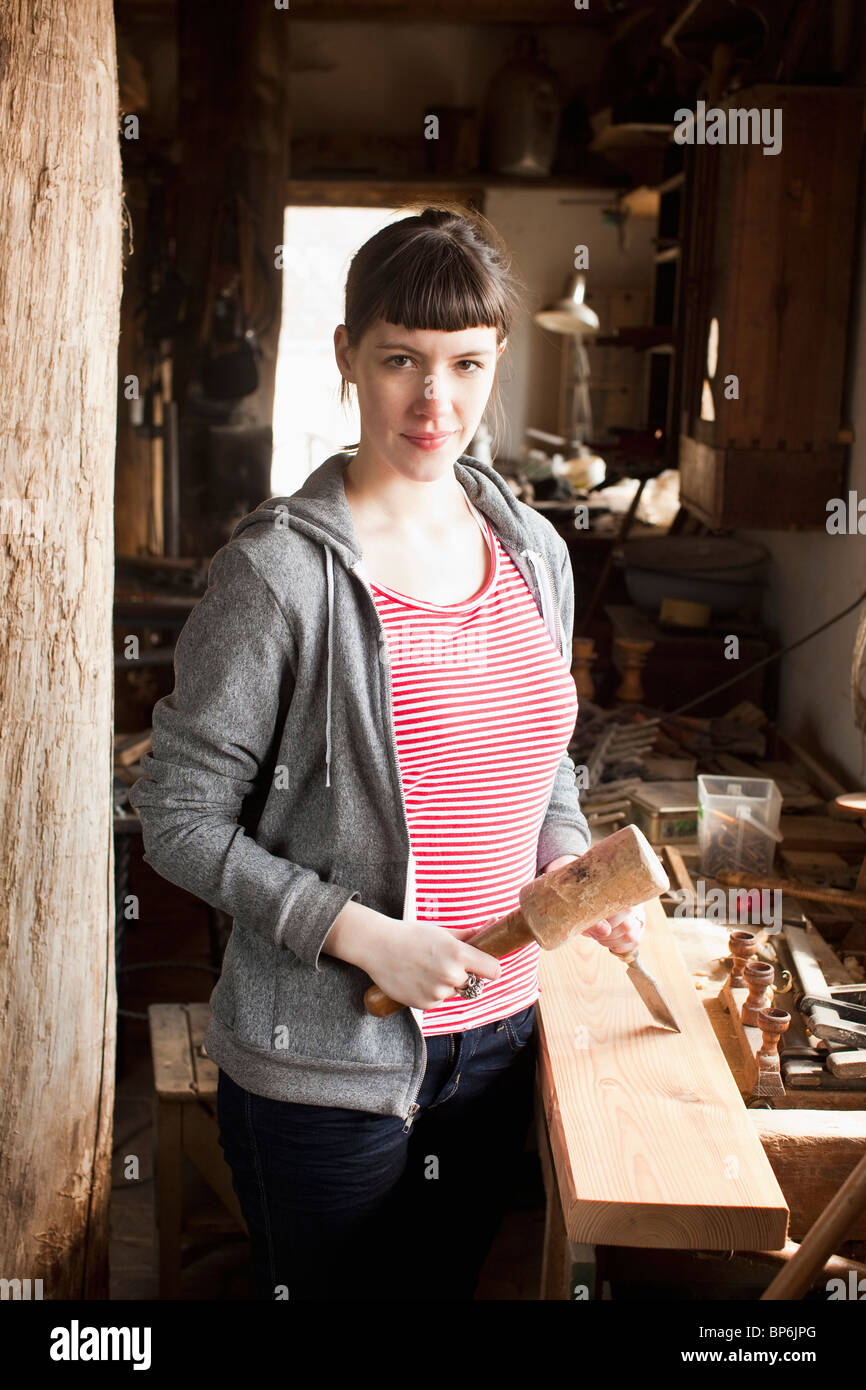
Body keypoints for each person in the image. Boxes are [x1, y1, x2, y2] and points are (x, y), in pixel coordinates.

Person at [129, 204, 646, 1302]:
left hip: (497, 1040)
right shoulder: (276, 575)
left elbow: (541, 759)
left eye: (464, 361)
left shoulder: (531, 550)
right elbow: (173, 815)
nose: (435, 399)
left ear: (497, 358)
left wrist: (568, 864)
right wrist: (362, 935)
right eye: (400, 359)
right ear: (347, 358)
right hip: (324, 1066)